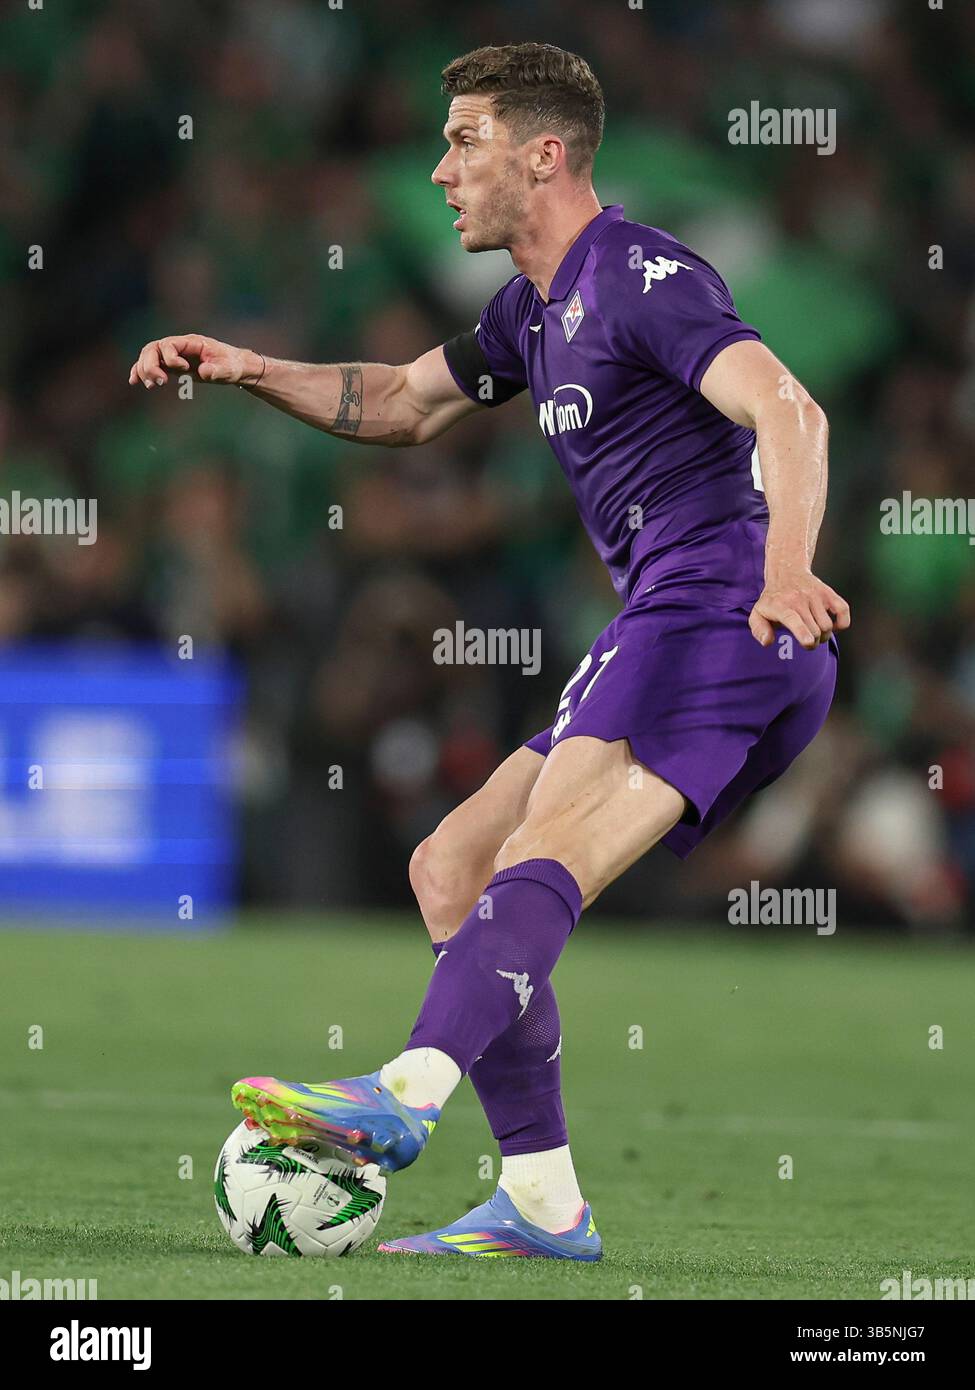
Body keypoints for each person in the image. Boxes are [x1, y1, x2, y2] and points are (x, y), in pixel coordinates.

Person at [130, 42, 850, 1261]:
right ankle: (542, 1203)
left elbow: (789, 406)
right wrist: (250, 368)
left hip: (726, 608)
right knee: (451, 870)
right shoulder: (533, 310)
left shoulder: (637, 274)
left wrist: (788, 564)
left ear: (544, 153)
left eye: (463, 142)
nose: (439, 169)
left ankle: (405, 1093)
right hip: (661, 622)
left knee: (545, 841)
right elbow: (404, 403)